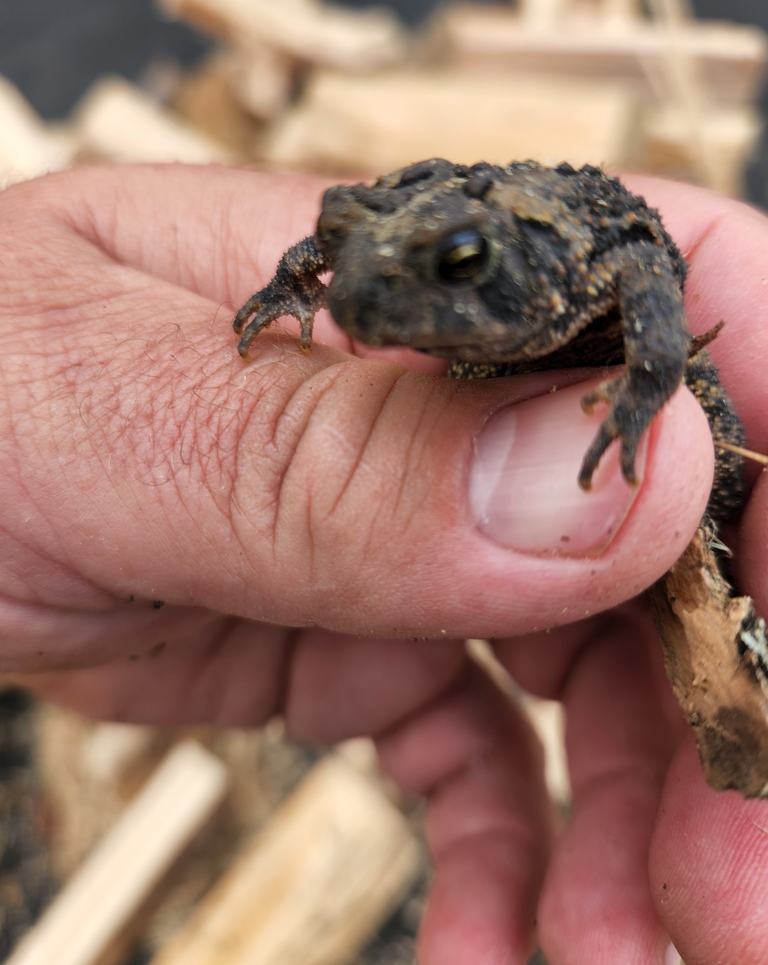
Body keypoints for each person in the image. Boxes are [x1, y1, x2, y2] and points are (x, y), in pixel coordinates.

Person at [0, 162, 766, 965]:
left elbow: (643, 257)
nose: (356, 284)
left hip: (579, 342)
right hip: (493, 366)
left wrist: (646, 383)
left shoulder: (563, 261)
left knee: (714, 484)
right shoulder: (401, 260)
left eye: (457, 261)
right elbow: (340, 242)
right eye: (341, 244)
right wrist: (299, 281)